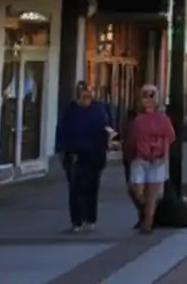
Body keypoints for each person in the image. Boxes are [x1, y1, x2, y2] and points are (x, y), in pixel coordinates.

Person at [55, 81, 113, 233]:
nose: (85, 98)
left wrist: (108, 142)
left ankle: (90, 218)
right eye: (81, 95)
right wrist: (62, 151)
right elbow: (61, 130)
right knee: (75, 188)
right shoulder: (70, 111)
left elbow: (107, 128)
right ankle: (77, 221)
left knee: (92, 187)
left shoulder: (99, 109)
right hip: (75, 155)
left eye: (87, 95)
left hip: (95, 154)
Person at [125, 84, 175, 234]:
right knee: (136, 189)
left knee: (152, 194)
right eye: (145, 95)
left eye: (152, 95)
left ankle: (148, 223)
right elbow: (131, 139)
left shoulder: (163, 119)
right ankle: (145, 212)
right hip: (140, 158)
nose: (148, 99)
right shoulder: (136, 119)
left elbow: (170, 137)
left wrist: (161, 148)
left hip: (157, 159)